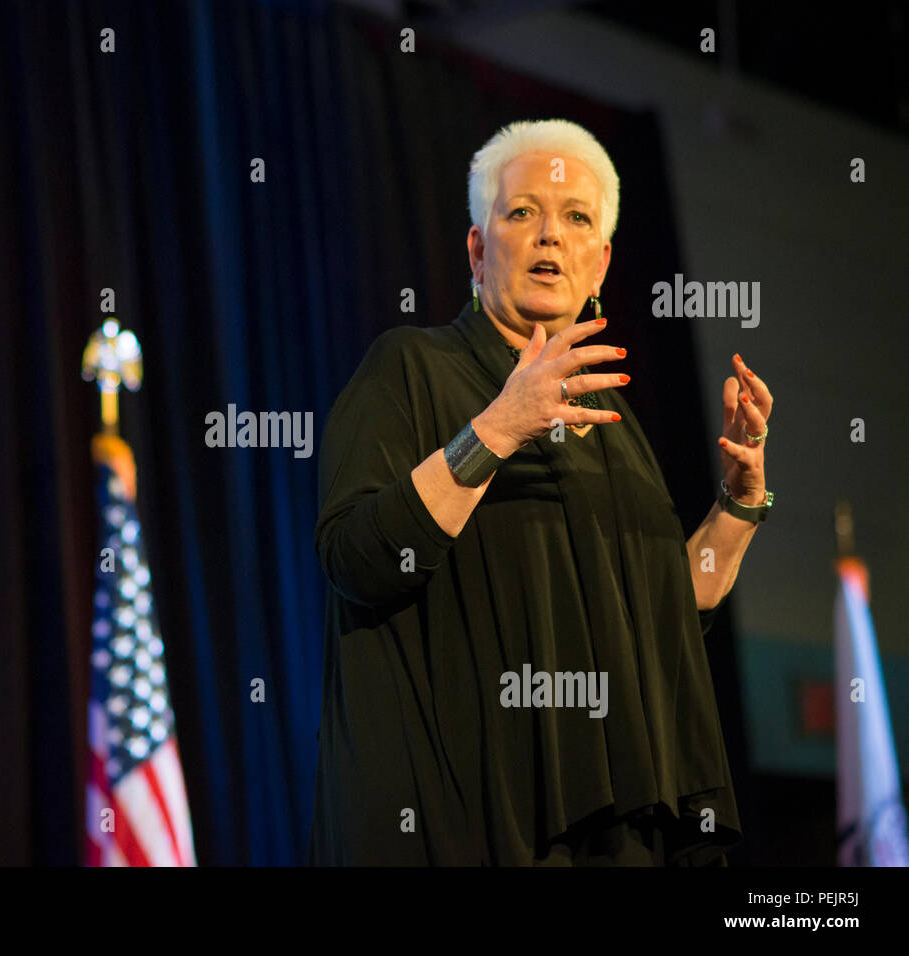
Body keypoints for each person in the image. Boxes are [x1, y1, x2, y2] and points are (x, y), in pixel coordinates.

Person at [309, 119, 773, 866]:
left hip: (617, 828)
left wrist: (741, 504)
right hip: (472, 820)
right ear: (477, 249)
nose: (549, 236)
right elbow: (358, 557)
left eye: (575, 219)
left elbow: (664, 616)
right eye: (521, 212)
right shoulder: (411, 368)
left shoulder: (616, 423)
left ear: (601, 265)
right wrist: (496, 429)